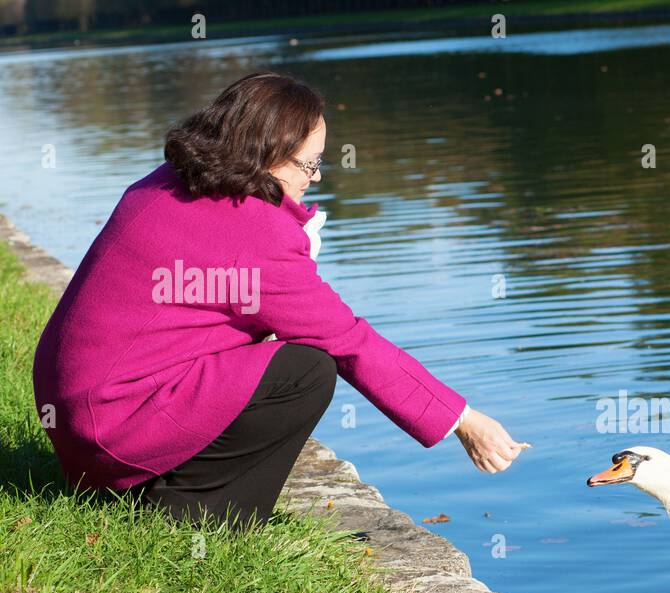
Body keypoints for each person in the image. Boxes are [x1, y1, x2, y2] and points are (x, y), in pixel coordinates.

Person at [31, 72, 523, 529]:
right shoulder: (253, 228)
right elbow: (348, 341)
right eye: (311, 163)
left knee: (269, 350)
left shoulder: (166, 181)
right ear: (268, 155)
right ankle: (196, 516)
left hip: (82, 422)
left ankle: (161, 489)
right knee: (304, 371)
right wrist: (465, 421)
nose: (317, 176)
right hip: (115, 427)